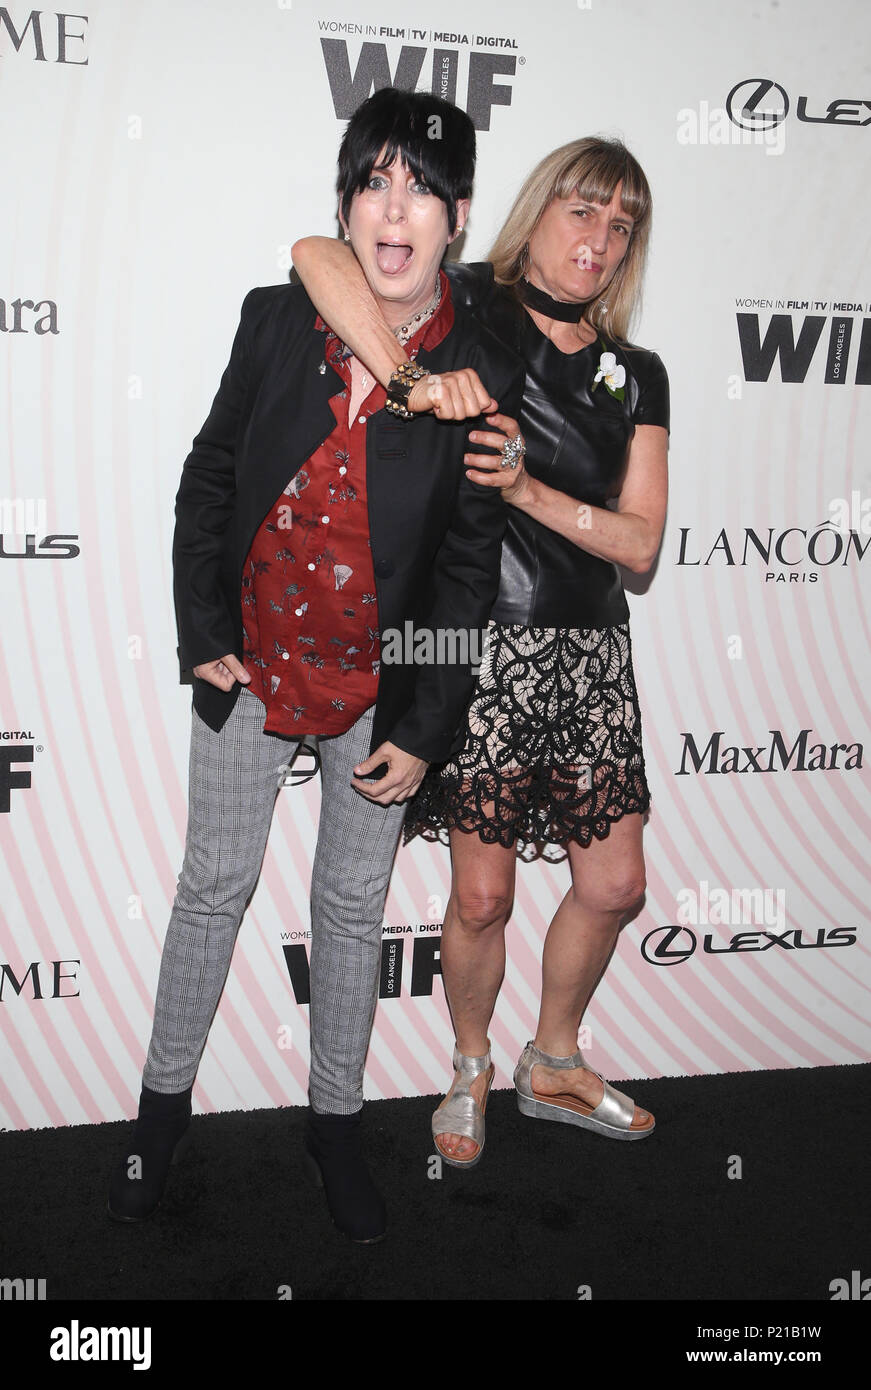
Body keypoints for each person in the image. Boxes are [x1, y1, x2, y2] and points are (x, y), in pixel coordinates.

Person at [106, 87, 524, 1240]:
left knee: (349, 911)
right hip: (252, 672)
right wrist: (204, 635)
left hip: (374, 697)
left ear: (457, 218)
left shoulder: (478, 373)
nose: (395, 212)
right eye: (373, 184)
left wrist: (426, 718)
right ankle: (157, 1117)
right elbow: (207, 478)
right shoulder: (274, 316)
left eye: (422, 192)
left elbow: (464, 572)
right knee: (211, 893)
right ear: (346, 204)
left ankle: (333, 1127)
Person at [291, 135, 669, 1167]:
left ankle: (552, 1058)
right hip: (480, 646)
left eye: (620, 225)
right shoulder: (470, 307)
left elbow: (638, 543)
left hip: (590, 659)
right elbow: (317, 259)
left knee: (615, 884)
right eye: (582, 210)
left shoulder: (635, 373)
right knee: (481, 896)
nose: (598, 239)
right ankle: (468, 1064)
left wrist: (532, 495)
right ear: (539, 209)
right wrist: (411, 375)